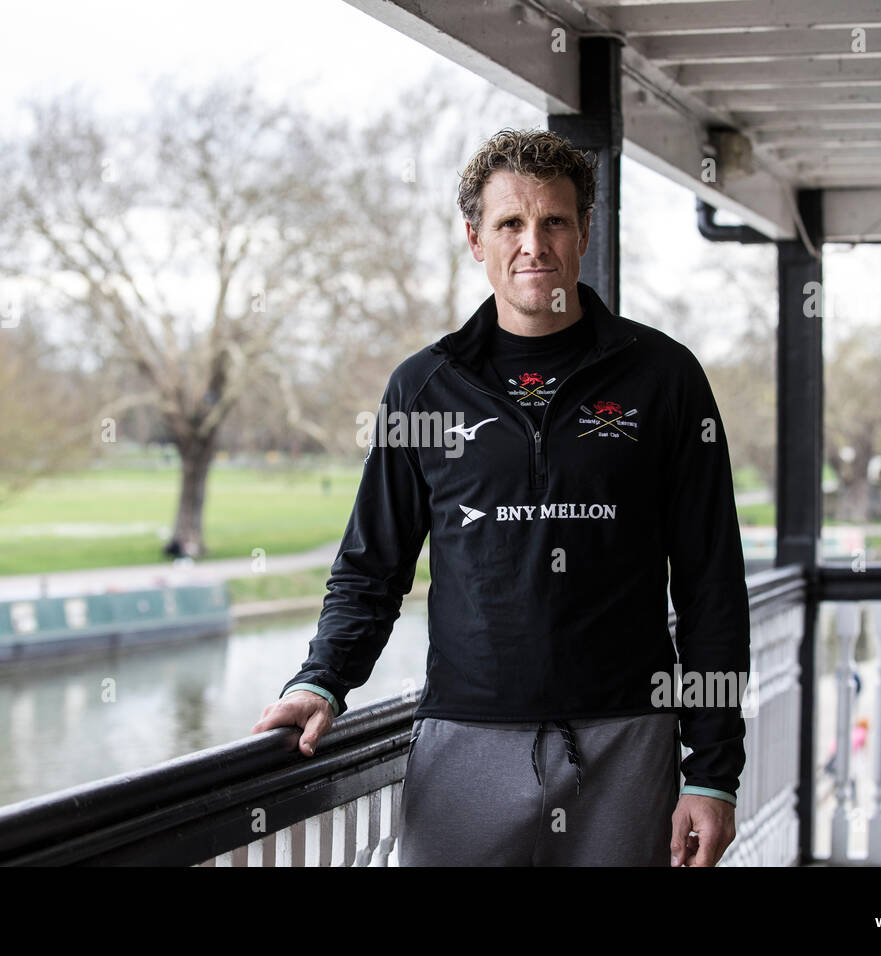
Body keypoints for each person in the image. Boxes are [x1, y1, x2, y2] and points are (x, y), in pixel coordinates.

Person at [252, 128, 750, 866]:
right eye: (510, 223)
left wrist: (713, 773)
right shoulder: (423, 386)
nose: (533, 245)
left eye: (554, 221)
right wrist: (323, 678)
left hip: (627, 739)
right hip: (465, 745)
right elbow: (372, 567)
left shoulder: (666, 378)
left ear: (585, 232)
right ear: (474, 239)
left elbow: (712, 585)